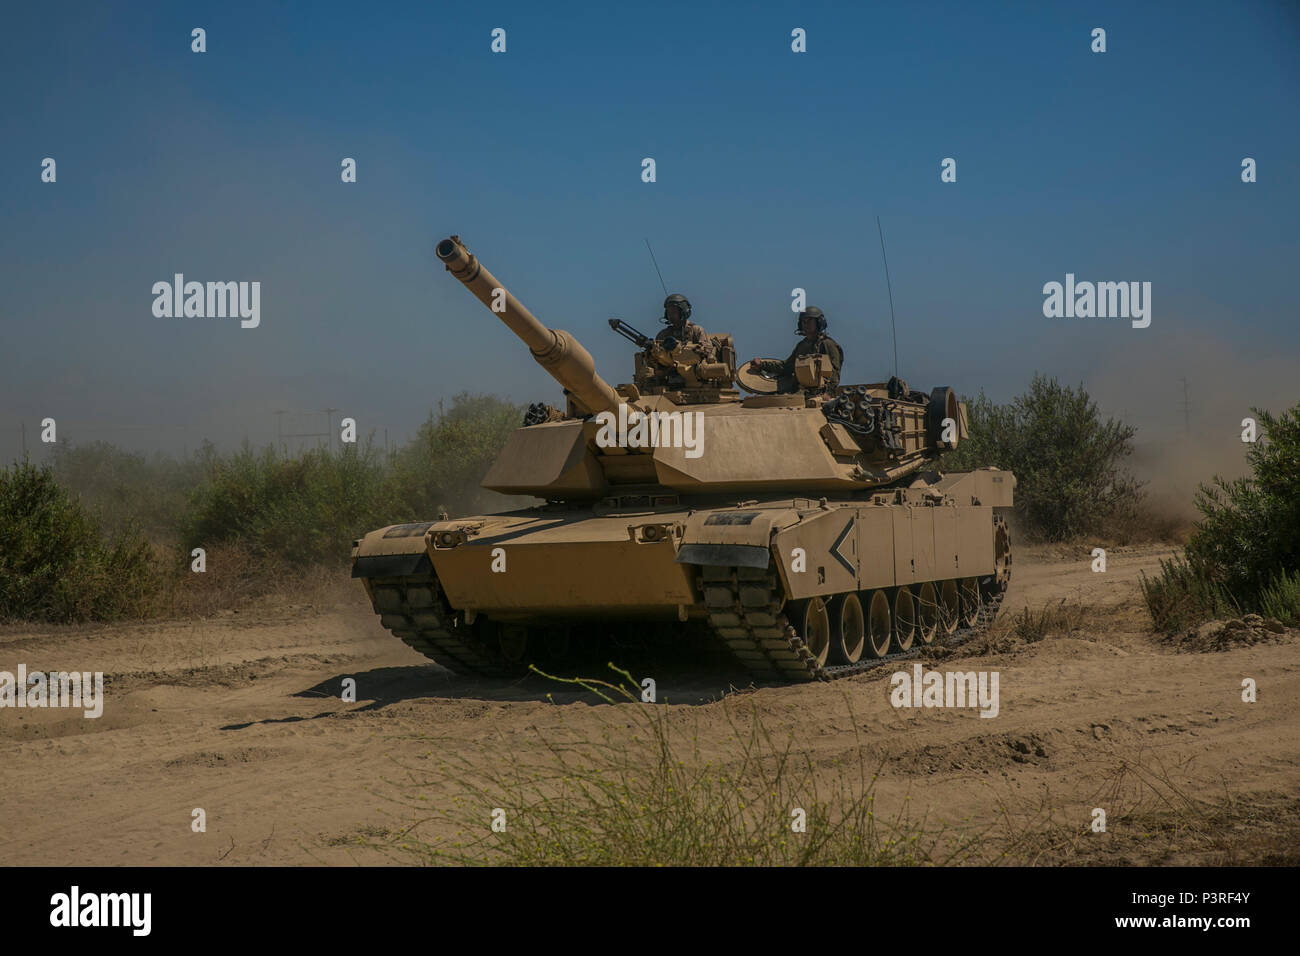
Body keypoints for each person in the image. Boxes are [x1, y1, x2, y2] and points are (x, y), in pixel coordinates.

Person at [748, 307, 843, 392]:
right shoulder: (802, 346)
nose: (806, 325)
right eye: (803, 322)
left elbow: (834, 373)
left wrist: (829, 393)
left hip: (820, 393)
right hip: (800, 392)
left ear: (819, 322)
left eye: (809, 321)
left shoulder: (828, 344)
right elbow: (787, 367)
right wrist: (762, 364)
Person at [655, 294, 714, 359]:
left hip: (694, 366)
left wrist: (695, 350)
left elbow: (707, 350)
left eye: (673, 311)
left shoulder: (696, 330)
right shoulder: (663, 334)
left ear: (683, 312)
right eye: (668, 312)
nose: (670, 315)